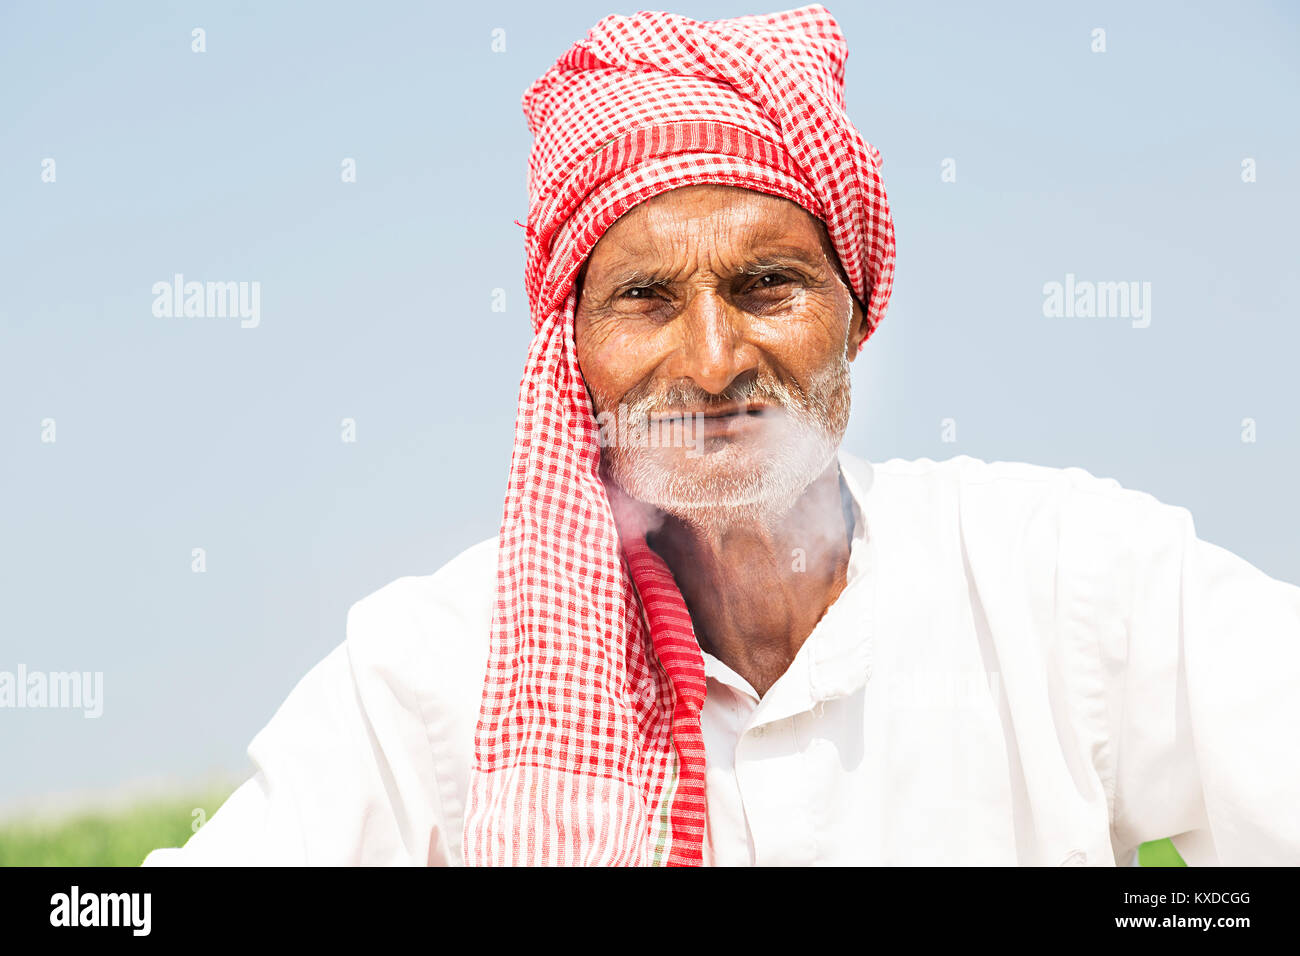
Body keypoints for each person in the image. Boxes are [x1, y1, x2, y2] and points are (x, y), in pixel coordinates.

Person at [143, 4, 1300, 866]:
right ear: (573, 348)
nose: (710, 361)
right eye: (645, 299)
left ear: (856, 308)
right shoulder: (439, 665)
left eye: (766, 283)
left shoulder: (1063, 575)